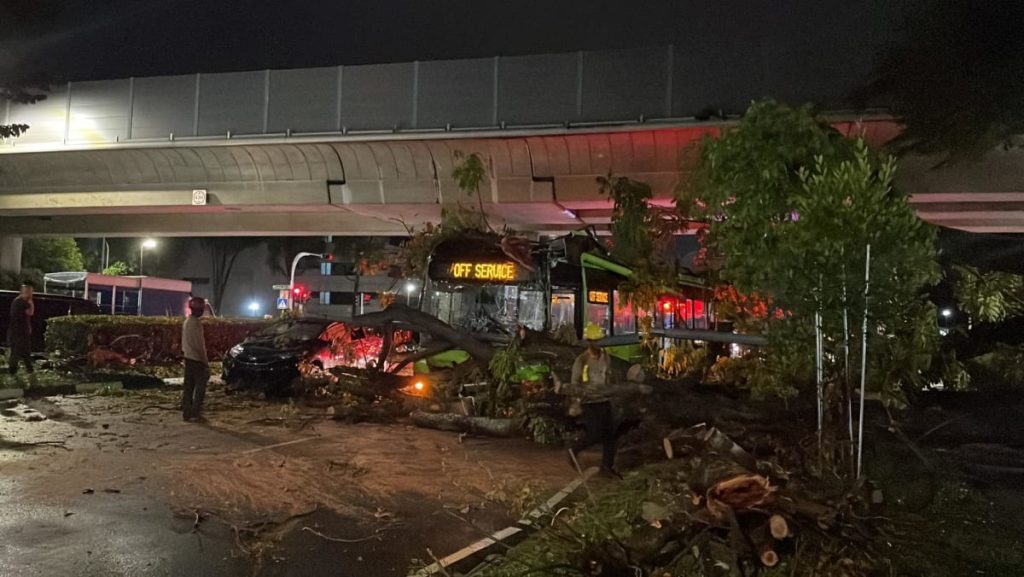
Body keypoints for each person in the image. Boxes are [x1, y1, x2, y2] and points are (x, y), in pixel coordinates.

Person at [567, 323, 622, 477]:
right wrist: (576, 401)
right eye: (596, 341)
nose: (599, 343)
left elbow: (609, 376)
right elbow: (575, 383)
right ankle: (575, 448)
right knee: (595, 434)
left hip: (604, 400)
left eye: (600, 340)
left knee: (610, 437)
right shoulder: (582, 360)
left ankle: (607, 467)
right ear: (590, 342)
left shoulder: (606, 357)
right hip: (589, 402)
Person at [181, 296, 209, 421]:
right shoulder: (196, 324)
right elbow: (200, 345)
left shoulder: (187, 322)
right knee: (200, 387)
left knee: (188, 387)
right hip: (197, 359)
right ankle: (195, 411)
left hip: (188, 357)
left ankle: (187, 411)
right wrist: (205, 361)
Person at [7, 283, 35, 375]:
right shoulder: (20, 302)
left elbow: (26, 317)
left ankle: (30, 371)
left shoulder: (20, 301)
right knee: (16, 354)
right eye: (30, 292)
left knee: (26, 353)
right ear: (25, 292)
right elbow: (30, 312)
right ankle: (12, 373)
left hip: (22, 332)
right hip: (18, 333)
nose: (31, 294)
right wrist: (31, 302)